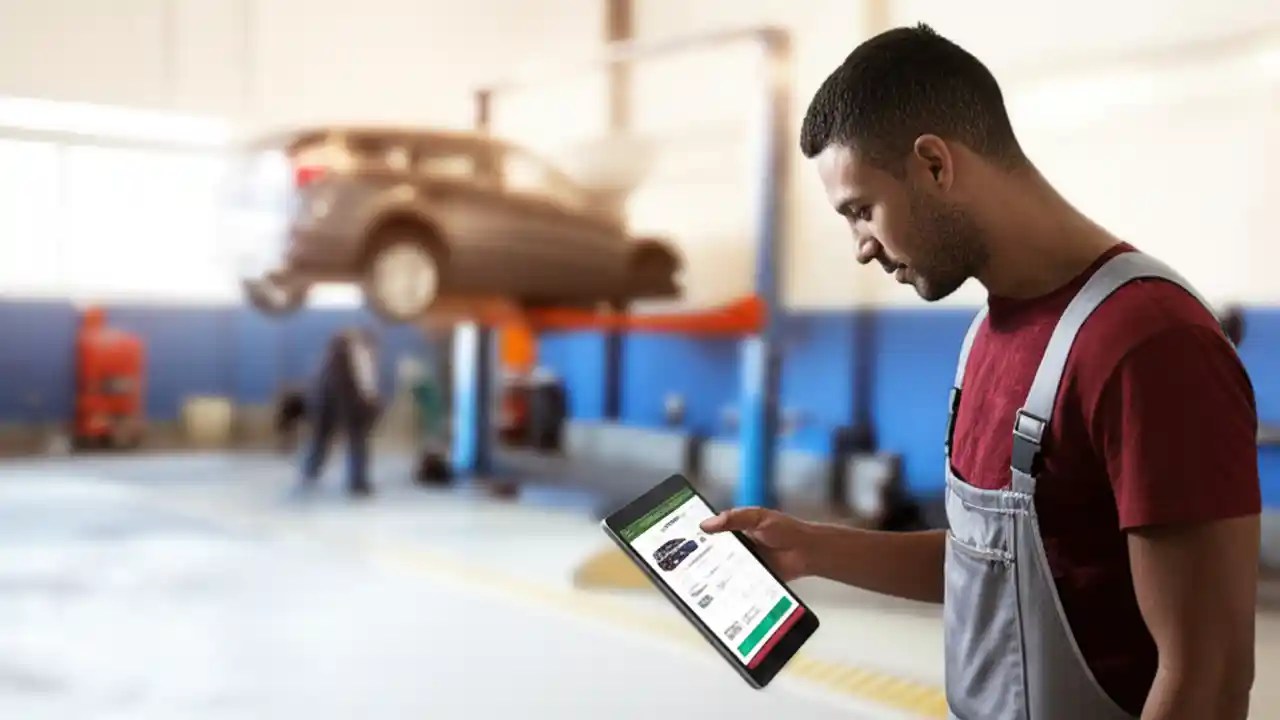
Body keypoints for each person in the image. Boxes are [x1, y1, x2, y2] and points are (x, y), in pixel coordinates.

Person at [702, 24, 1260, 720]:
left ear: (935, 165)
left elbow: (1207, 680)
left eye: (861, 211)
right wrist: (810, 548)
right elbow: (1003, 569)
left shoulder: (1148, 344)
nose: (861, 248)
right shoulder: (984, 340)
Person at [297, 327, 382, 497]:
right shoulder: (356, 356)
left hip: (330, 405)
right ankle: (357, 482)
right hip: (348, 405)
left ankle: (310, 472)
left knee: (322, 441)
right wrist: (369, 403)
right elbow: (364, 385)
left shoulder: (331, 360)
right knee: (357, 442)